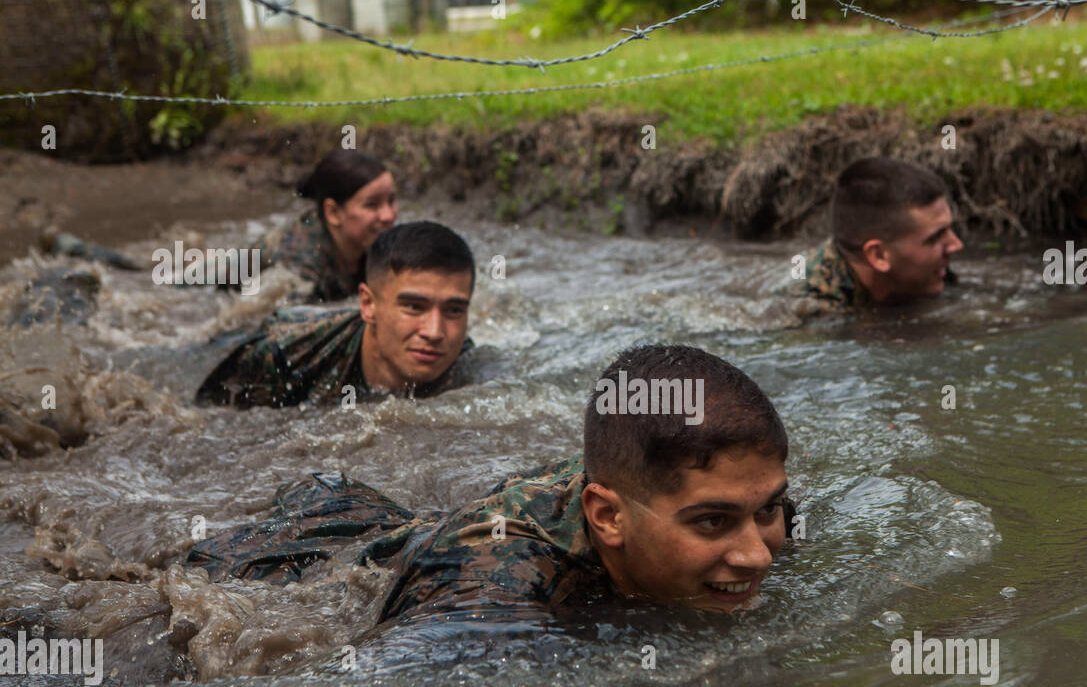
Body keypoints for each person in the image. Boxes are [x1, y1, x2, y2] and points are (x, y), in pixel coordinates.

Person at [188, 344, 799, 624]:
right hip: (299, 556)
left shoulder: (758, 515)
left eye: (767, 510)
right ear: (609, 518)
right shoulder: (492, 588)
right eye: (713, 522)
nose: (756, 555)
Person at [195, 220, 475, 408]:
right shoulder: (285, 354)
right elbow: (206, 417)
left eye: (453, 310)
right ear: (368, 304)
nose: (435, 332)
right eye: (414, 307)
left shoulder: (468, 368)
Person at [790, 157, 964, 318]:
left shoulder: (926, 267)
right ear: (879, 255)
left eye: (950, 229)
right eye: (935, 238)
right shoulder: (810, 310)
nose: (956, 245)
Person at [249, 150, 398, 301]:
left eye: (391, 201)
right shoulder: (299, 262)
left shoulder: (373, 243)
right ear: (333, 212)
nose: (389, 215)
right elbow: (282, 319)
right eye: (372, 205)